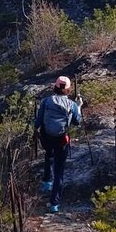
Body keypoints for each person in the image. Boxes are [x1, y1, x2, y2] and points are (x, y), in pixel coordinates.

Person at [34, 75, 82, 213]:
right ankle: (54, 203)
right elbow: (77, 122)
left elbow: (38, 122)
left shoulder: (46, 101)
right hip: (61, 140)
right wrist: (78, 107)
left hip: (46, 137)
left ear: (55, 87)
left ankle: (46, 182)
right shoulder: (72, 105)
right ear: (68, 90)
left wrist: (35, 128)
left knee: (48, 154)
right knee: (59, 171)